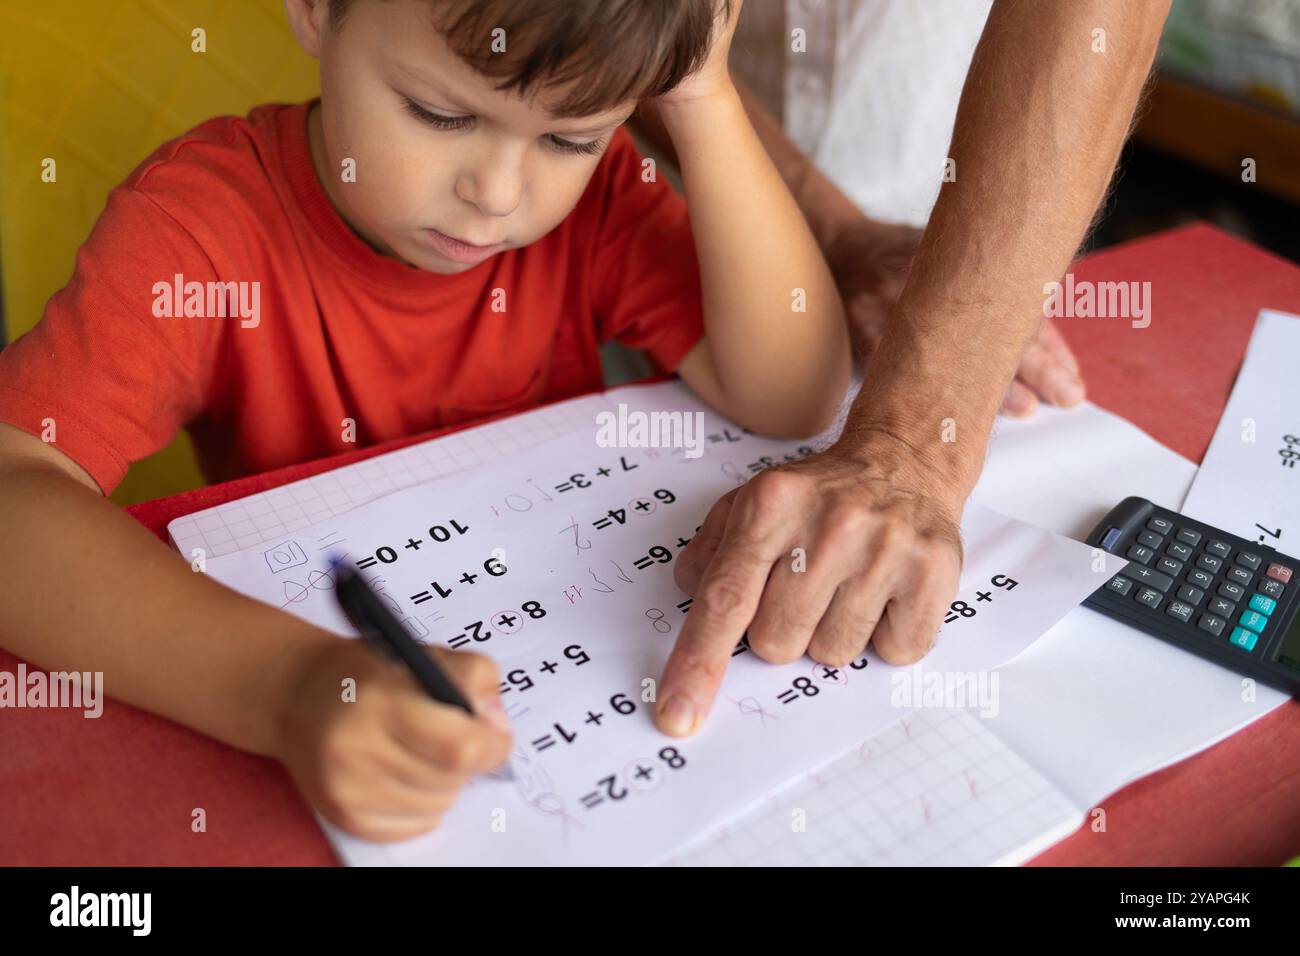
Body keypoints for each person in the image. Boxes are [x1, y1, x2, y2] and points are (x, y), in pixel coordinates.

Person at [0, 0, 844, 840]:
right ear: (317, 13)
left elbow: (792, 394)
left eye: (569, 139)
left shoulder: (605, 198)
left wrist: (701, 99)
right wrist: (287, 687)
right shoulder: (201, 232)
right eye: (441, 114)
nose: (498, 194)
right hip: (329, 707)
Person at [645, 0, 1174, 738]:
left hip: (968, 208)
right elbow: (617, 27)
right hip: (698, 204)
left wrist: (914, 448)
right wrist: (831, 230)